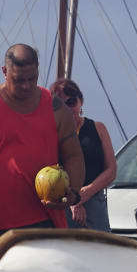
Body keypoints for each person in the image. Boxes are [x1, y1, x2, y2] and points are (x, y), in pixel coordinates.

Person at [0, 44, 85, 253]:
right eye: (19, 80)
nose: (26, 86)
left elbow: (73, 154)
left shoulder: (55, 107)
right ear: (5, 72)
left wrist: (73, 193)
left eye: (32, 78)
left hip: (46, 220)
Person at [53, 79, 116, 232]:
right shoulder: (49, 134)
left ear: (80, 101)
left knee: (100, 246)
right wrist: (73, 200)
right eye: (61, 104)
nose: (67, 108)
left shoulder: (98, 128)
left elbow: (111, 170)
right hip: (62, 206)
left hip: (94, 205)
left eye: (71, 102)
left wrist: (85, 194)